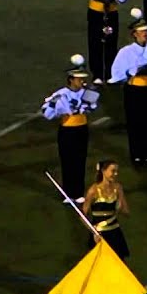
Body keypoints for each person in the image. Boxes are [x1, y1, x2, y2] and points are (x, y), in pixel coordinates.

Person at [110, 9, 147, 165]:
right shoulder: (125, 52)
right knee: (135, 121)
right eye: (142, 32)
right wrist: (133, 72)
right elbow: (116, 73)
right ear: (134, 34)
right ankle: (136, 154)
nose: (146, 34)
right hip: (134, 90)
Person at [42, 55, 100, 203]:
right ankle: (69, 193)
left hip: (81, 129)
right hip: (67, 131)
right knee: (68, 161)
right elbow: (47, 114)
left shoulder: (86, 92)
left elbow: (93, 107)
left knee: (80, 160)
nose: (82, 81)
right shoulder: (61, 94)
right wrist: (56, 104)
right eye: (79, 79)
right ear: (71, 79)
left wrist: (85, 103)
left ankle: (78, 192)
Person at [84, 160, 130, 259]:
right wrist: (93, 232)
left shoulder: (118, 188)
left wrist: (120, 205)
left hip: (115, 233)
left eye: (117, 171)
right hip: (100, 234)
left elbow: (126, 211)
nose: (116, 174)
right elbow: (82, 216)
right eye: (113, 171)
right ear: (103, 171)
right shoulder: (93, 191)